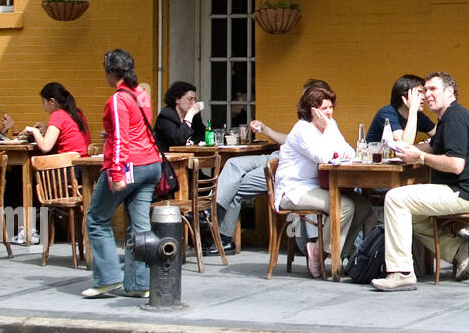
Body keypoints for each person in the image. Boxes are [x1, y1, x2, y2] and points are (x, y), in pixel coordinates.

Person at [371, 72, 469, 291]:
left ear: (450, 92)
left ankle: (401, 273)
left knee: (395, 198)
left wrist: (420, 157)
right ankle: (456, 250)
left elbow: (455, 165)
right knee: (409, 215)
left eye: (433, 89)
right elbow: (434, 145)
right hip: (465, 192)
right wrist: (409, 149)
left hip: (460, 194)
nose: (427, 95)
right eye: (425, 90)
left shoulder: (454, 118)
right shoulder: (449, 117)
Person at [209, 79, 332, 257]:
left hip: (285, 166)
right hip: (277, 156)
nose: (303, 100)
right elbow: (289, 140)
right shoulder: (305, 121)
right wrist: (265, 129)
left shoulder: (322, 124)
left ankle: (223, 236)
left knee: (233, 187)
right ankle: (213, 208)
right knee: (233, 164)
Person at [84, 49, 163, 299]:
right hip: (151, 163)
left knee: (96, 219)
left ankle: (107, 278)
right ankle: (139, 283)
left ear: (110, 73)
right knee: (140, 228)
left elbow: (121, 137)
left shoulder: (118, 99)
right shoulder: (140, 93)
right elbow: (139, 128)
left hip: (130, 166)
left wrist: (116, 171)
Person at [273, 83, 371, 277]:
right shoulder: (302, 130)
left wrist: (330, 132)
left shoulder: (330, 125)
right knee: (344, 206)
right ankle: (320, 251)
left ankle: (332, 253)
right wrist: (329, 134)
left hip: (315, 186)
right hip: (294, 190)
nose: (329, 112)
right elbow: (325, 157)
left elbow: (349, 152)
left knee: (362, 206)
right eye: (324, 108)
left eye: (330, 107)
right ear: (312, 110)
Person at [23, 82, 90, 156]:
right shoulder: (77, 113)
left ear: (52, 101)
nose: (43, 106)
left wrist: (34, 131)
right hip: (82, 162)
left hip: (68, 164)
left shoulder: (58, 115)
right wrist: (48, 128)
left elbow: (45, 147)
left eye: (43, 102)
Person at [366, 74, 433, 144]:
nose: (424, 97)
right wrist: (413, 109)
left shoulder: (418, 115)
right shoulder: (387, 112)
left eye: (423, 93)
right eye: (419, 93)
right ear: (404, 95)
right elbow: (405, 144)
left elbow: (440, 135)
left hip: (397, 155)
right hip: (375, 154)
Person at [153, 81, 207, 155]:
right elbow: (179, 140)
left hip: (188, 157)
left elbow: (203, 135)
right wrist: (190, 114)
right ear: (177, 99)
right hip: (167, 161)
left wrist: (192, 141)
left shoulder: (195, 116)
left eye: (194, 99)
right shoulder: (166, 116)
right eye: (190, 99)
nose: (193, 103)